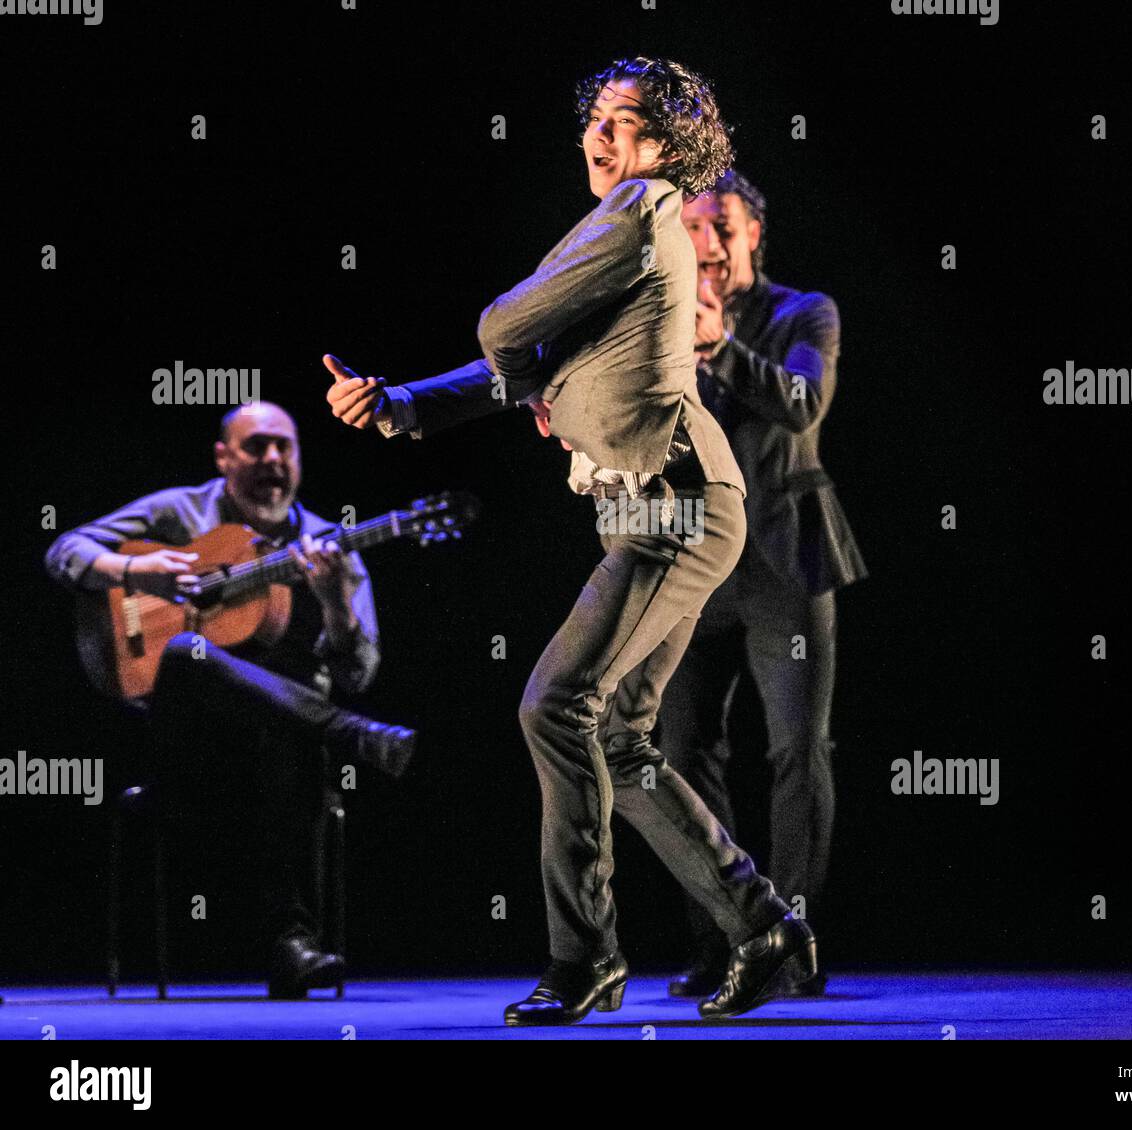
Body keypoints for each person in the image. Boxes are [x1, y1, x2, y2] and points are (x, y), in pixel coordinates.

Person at [322, 56, 815, 1023]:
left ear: (667, 144)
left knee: (554, 705)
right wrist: (400, 406)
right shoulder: (630, 227)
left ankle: (585, 957)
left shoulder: (635, 212)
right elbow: (530, 365)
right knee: (620, 740)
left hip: (672, 503)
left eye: (623, 122)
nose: (598, 135)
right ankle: (764, 926)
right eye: (593, 117)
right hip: (666, 502)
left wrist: (519, 348)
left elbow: (506, 330)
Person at [45, 402, 416, 998]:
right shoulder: (178, 512)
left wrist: (337, 606)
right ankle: (346, 732)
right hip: (187, 742)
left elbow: (358, 672)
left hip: (279, 751)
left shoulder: (328, 547)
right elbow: (64, 551)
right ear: (224, 457)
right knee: (190, 650)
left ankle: (292, 946)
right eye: (256, 446)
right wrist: (133, 574)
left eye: (284, 448)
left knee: (277, 730)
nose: (272, 459)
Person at [661, 172, 868, 997]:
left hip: (785, 555)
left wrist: (720, 348)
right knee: (680, 752)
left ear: (754, 233)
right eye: (693, 226)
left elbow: (802, 404)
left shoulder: (803, 313)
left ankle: (791, 941)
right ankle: (725, 938)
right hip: (697, 558)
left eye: (722, 224)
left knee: (796, 749)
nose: (706, 241)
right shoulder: (668, 314)